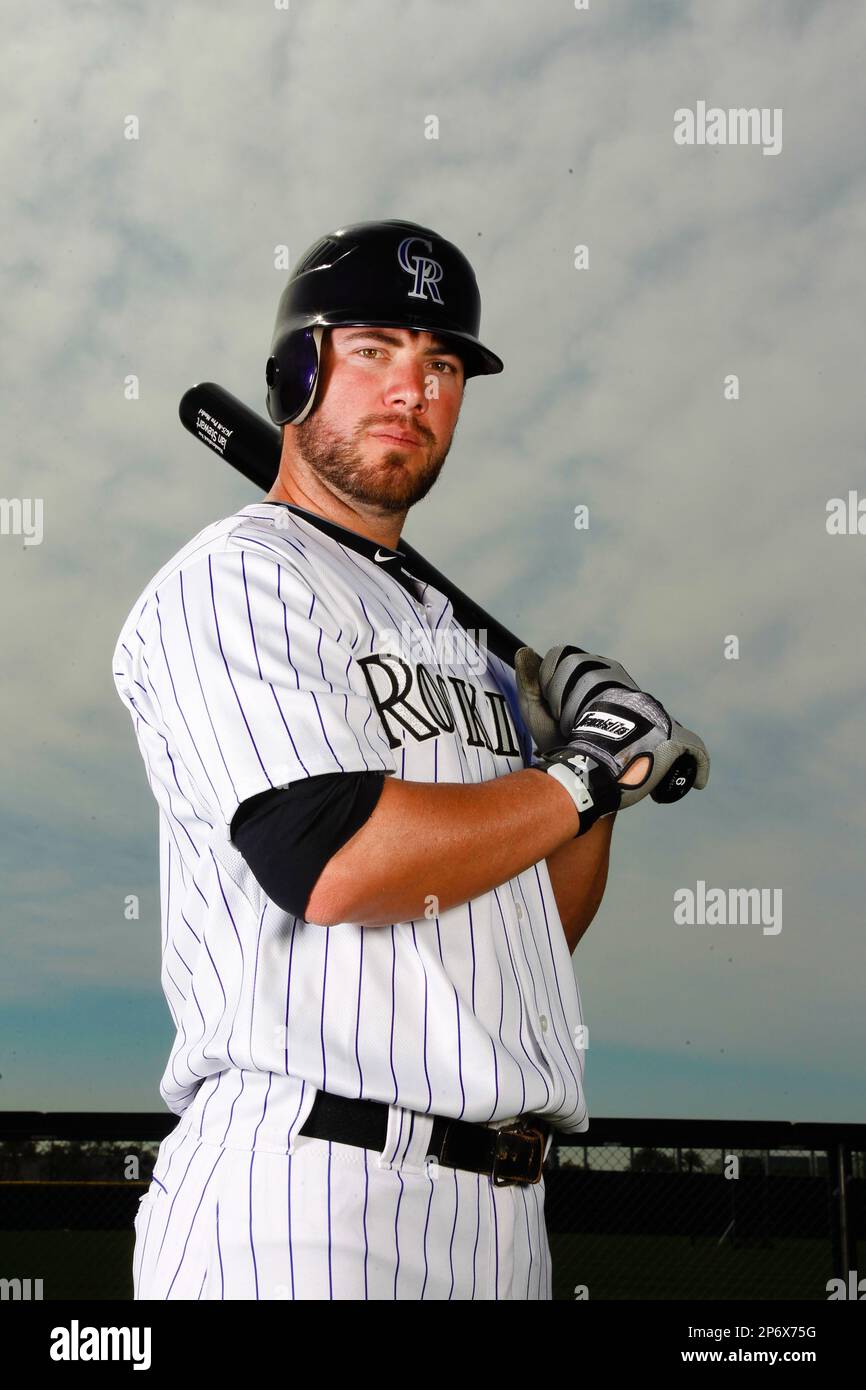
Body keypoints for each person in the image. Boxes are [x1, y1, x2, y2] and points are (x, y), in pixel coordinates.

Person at [112, 219, 666, 1300]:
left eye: (442, 364)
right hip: (308, 1201)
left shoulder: (464, 652)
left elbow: (527, 926)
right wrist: (584, 773)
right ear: (295, 373)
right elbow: (332, 862)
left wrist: (589, 781)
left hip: (502, 1213)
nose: (412, 388)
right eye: (372, 349)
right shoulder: (240, 577)